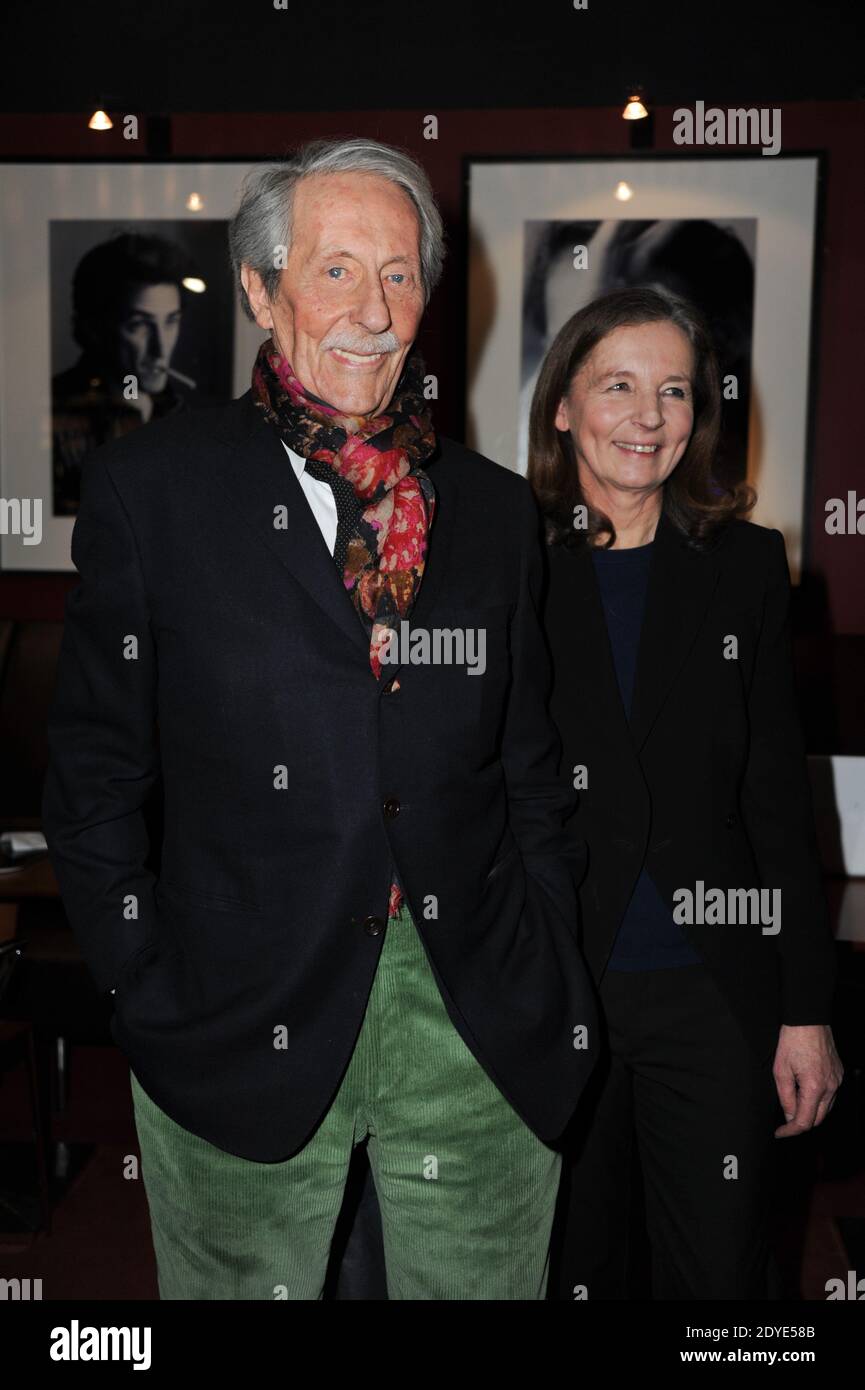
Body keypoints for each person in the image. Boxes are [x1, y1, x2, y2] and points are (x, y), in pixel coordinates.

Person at [41, 137, 597, 1301]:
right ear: (258, 288)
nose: (374, 310)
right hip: (235, 1009)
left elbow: (532, 771)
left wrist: (546, 943)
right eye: (335, 270)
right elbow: (95, 780)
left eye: (398, 275)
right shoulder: (156, 492)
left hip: (478, 1003)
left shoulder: (495, 515)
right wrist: (145, 990)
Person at [527, 285, 842, 1300]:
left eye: (674, 391)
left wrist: (805, 1011)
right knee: (574, 1265)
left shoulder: (745, 566)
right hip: (556, 982)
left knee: (721, 1273)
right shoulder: (505, 561)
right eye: (617, 385)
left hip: (710, 988)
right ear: (564, 406)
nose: (650, 416)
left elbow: (775, 805)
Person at [51, 232, 196, 513]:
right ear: (93, 329)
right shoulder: (55, 416)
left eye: (170, 322)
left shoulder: (185, 416)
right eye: (139, 325)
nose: (160, 348)